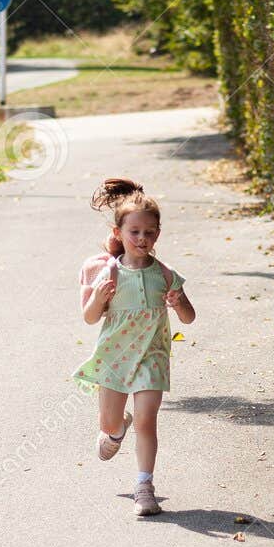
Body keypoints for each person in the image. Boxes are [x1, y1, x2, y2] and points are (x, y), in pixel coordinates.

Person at [74, 178, 196, 516]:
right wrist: (98, 298)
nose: (142, 239)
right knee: (110, 424)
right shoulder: (107, 273)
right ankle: (116, 431)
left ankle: (145, 486)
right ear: (119, 233)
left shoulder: (166, 274)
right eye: (135, 232)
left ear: (157, 234)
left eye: (149, 233)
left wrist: (178, 301)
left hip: (151, 356)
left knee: (147, 419)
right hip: (115, 358)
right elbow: (89, 318)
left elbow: (188, 318)